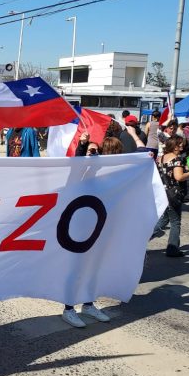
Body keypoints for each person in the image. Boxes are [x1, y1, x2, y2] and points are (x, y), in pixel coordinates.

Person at [60, 134, 121, 327]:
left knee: (94, 266)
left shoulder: (112, 173)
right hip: (80, 227)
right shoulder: (85, 172)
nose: (93, 155)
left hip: (101, 227)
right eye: (90, 152)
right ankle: (68, 308)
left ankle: (88, 304)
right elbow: (75, 170)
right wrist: (82, 146)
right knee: (76, 268)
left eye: (96, 151)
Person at [156, 136, 189, 257]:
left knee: (164, 220)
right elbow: (178, 177)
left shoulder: (161, 158)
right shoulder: (177, 159)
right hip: (173, 193)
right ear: (174, 146)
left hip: (164, 192)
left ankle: (144, 239)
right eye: (180, 144)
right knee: (175, 222)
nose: (182, 146)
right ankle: (172, 249)